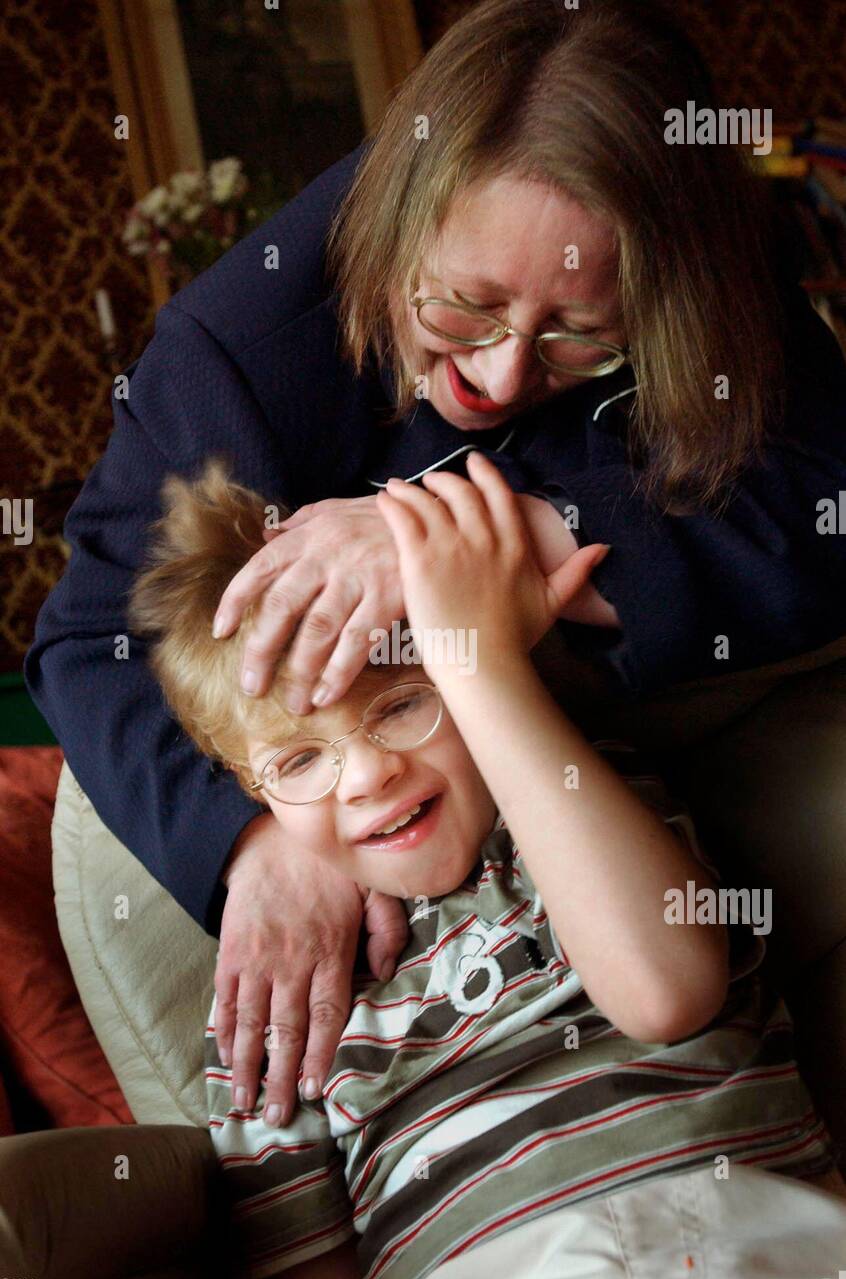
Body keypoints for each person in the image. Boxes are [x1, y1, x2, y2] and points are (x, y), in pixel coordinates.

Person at [25, 0, 846, 1154]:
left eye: (581, 336)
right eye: (465, 307)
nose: (504, 376)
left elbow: (823, 506)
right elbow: (87, 635)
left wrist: (478, 531)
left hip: (658, 770)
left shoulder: (716, 257)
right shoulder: (237, 346)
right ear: (398, 221)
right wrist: (251, 845)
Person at [127, 456, 846, 1279]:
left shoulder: (585, 804)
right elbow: (307, 1277)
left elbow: (665, 995)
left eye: (401, 704)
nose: (366, 775)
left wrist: (482, 659)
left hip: (741, 1255)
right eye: (299, 760)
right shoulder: (280, 990)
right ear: (253, 791)